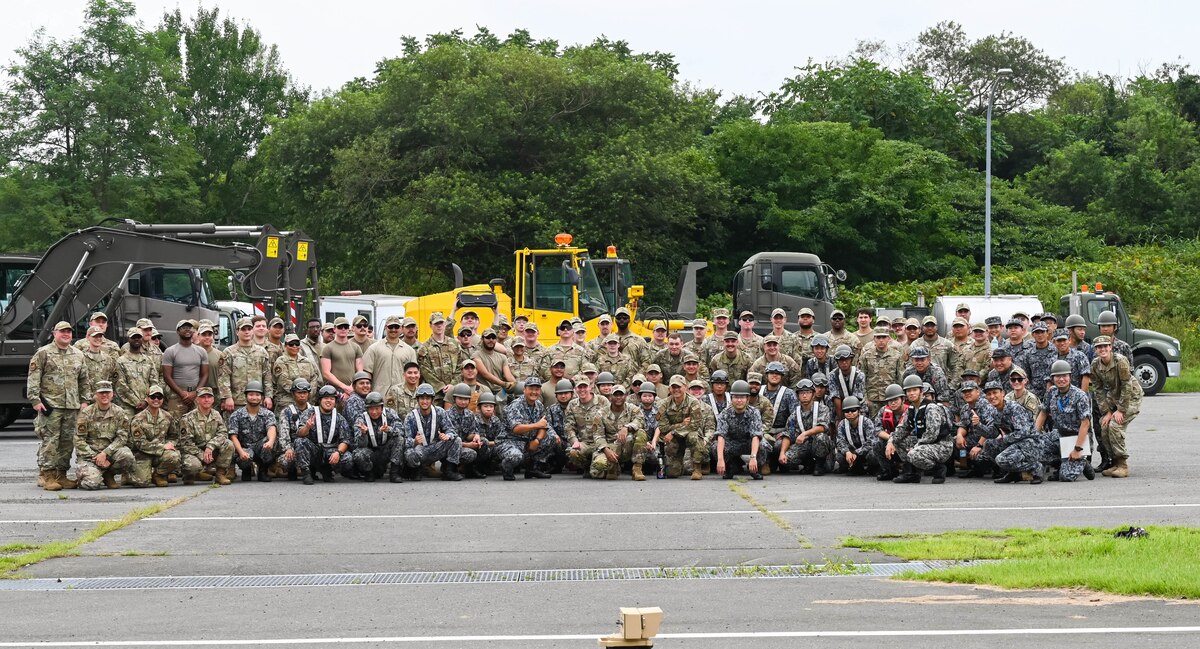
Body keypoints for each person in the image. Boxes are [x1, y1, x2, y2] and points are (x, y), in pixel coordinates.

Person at [29, 321, 89, 491]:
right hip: (51, 405)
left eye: (69, 332)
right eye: (62, 331)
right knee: (50, 441)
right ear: (54, 333)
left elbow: (84, 380)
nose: (66, 334)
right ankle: (47, 475)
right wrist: (35, 400)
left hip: (72, 406)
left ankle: (61, 475)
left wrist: (84, 401)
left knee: (67, 442)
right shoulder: (43, 353)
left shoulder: (78, 354)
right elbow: (34, 378)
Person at [1090, 336, 1141, 478]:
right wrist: (1106, 411)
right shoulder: (1095, 365)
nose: (1103, 349)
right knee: (1104, 424)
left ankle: (1123, 464)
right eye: (1099, 347)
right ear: (1096, 350)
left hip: (1131, 396)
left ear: (1110, 347)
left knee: (1115, 425)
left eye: (1105, 346)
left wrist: (1121, 410)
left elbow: (1127, 385)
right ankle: (1115, 463)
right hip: (1114, 397)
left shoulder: (1120, 361)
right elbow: (1098, 389)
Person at [885, 376, 953, 484]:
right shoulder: (912, 409)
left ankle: (938, 469)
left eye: (914, 390)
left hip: (942, 445)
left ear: (921, 391)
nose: (911, 393)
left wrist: (915, 446)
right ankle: (912, 474)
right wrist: (891, 441)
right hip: (925, 444)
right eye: (908, 391)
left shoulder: (931, 408)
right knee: (897, 441)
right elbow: (902, 428)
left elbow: (931, 434)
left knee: (913, 453)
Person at [1035, 361, 1094, 483]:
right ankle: (1062, 461)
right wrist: (1034, 435)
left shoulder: (1080, 396)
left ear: (1070, 377)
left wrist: (1077, 449)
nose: (1061, 379)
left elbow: (1085, 423)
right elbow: (1043, 413)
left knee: (1066, 477)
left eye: (1064, 376)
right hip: (1059, 434)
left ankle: (1083, 461)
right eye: (1057, 376)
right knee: (1033, 448)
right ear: (1053, 378)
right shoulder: (1051, 392)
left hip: (1077, 438)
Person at [72, 381, 134, 490]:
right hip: (89, 456)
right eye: (101, 393)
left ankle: (108, 474)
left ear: (112, 394)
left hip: (109, 455)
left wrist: (105, 453)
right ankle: (87, 476)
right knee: (92, 484)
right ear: (95, 395)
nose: (104, 395)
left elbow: (122, 437)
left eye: (107, 392)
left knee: (127, 456)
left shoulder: (119, 412)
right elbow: (79, 440)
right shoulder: (86, 413)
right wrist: (96, 457)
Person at [403, 383, 469, 481]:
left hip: (436, 448)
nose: (425, 402)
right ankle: (416, 470)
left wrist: (447, 436)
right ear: (417, 400)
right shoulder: (411, 417)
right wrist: (414, 441)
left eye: (427, 398)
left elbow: (451, 430)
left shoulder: (440, 412)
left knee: (456, 440)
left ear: (432, 400)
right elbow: (405, 440)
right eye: (422, 398)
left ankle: (449, 470)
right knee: (409, 454)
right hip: (420, 450)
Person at [499, 377, 556, 480]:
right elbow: (516, 428)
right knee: (515, 456)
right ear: (524, 390)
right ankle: (507, 469)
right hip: (510, 441)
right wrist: (537, 425)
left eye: (537, 389)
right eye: (531, 388)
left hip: (527, 441)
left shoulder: (539, 405)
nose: (534, 392)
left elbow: (544, 426)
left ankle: (533, 469)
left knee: (551, 437)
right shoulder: (515, 405)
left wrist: (537, 440)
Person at [294, 385, 352, 484]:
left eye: (332, 399)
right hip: (314, 450)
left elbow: (345, 440)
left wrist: (338, 452)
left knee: (348, 459)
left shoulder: (339, 418)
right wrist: (307, 427)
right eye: (325, 398)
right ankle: (307, 472)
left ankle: (327, 470)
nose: (328, 401)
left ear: (335, 401)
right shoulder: (309, 413)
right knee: (299, 441)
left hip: (329, 451)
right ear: (320, 400)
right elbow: (300, 434)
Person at [227, 381, 284, 482]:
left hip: (260, 447)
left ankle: (263, 470)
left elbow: (271, 428)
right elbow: (233, 436)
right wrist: (241, 452)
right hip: (245, 448)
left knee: (273, 440)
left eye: (257, 395)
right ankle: (246, 470)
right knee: (243, 458)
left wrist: (270, 442)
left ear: (261, 397)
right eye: (251, 394)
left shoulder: (268, 414)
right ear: (246, 396)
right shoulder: (236, 415)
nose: (254, 397)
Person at [177, 386, 234, 486]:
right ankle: (189, 475)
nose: (206, 399)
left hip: (211, 450)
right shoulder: (188, 418)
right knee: (193, 466)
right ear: (197, 400)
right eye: (203, 397)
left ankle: (220, 474)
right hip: (194, 452)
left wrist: (210, 446)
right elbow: (185, 443)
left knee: (228, 444)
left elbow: (223, 433)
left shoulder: (216, 415)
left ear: (213, 399)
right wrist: (201, 454)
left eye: (209, 397)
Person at [126, 385, 181, 488]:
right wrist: (162, 447)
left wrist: (170, 443)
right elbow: (140, 444)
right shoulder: (138, 419)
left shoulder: (168, 416)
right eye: (153, 397)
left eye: (159, 397)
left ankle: (158, 475)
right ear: (147, 398)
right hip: (142, 454)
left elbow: (174, 436)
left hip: (159, 454)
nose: (156, 399)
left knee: (174, 456)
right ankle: (129, 474)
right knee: (141, 483)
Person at [219, 317, 274, 417]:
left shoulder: (261, 352)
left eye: (249, 329)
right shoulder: (229, 352)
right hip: (236, 402)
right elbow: (224, 377)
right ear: (237, 332)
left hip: (257, 401)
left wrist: (268, 396)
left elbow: (267, 376)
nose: (247, 332)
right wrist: (227, 397)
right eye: (243, 329)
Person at [657, 375, 709, 480]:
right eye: (673, 387)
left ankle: (697, 468)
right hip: (675, 439)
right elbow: (663, 427)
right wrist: (682, 424)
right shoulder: (663, 404)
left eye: (679, 387)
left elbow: (694, 425)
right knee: (672, 473)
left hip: (688, 435)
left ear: (685, 387)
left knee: (694, 436)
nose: (676, 390)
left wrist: (673, 432)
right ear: (669, 389)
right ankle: (678, 466)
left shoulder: (693, 402)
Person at [595, 383, 650, 480]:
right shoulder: (601, 413)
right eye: (615, 395)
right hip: (610, 446)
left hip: (627, 444)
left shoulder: (632, 409)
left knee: (641, 432)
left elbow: (640, 421)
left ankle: (637, 468)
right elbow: (597, 435)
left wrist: (627, 428)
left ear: (625, 396)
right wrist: (606, 450)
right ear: (610, 397)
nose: (618, 397)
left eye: (621, 395)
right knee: (599, 467)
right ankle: (614, 467)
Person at [348, 392, 406, 482]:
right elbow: (358, 445)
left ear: (382, 407)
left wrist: (389, 430)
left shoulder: (390, 413)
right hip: (370, 453)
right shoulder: (361, 419)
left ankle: (394, 472)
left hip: (385, 451)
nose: (374, 412)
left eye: (377, 408)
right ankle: (369, 472)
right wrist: (363, 434)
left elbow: (401, 432)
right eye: (371, 409)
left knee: (399, 440)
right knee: (358, 453)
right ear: (367, 409)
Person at [778, 379, 832, 475]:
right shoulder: (795, 414)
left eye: (808, 392)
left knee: (821, 437)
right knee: (788, 460)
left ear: (813, 394)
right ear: (798, 395)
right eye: (801, 393)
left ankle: (819, 465)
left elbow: (822, 427)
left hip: (820, 445)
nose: (804, 395)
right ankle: (809, 463)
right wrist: (782, 453)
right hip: (805, 445)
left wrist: (805, 433)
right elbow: (787, 435)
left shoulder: (823, 408)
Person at [715, 380, 766, 480]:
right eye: (736, 397)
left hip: (749, 443)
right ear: (731, 398)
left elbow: (756, 436)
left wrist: (753, 457)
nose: (739, 400)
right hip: (732, 444)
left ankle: (755, 469)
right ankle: (731, 467)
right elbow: (721, 436)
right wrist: (720, 460)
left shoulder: (754, 412)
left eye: (742, 397)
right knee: (714, 446)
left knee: (763, 445)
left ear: (747, 399)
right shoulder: (725, 413)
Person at [159, 320, 209, 419]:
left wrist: (195, 393)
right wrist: (182, 393)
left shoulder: (201, 351)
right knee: (175, 428)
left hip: (196, 394)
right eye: (183, 328)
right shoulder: (170, 351)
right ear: (178, 331)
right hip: (177, 395)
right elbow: (167, 376)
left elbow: (205, 374)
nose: (187, 330)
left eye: (189, 328)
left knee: (197, 425)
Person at [952, 380, 1000, 478]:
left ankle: (994, 468)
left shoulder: (987, 405)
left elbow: (991, 430)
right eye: (965, 392)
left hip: (987, 440)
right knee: (953, 443)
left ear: (978, 391)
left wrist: (979, 445)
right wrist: (960, 435)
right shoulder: (965, 408)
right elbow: (963, 425)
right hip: (974, 438)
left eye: (970, 391)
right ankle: (969, 465)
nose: (967, 394)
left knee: (982, 455)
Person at [361, 314, 417, 397]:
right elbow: (366, 373)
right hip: (379, 396)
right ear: (385, 327)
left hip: (403, 397)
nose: (393, 329)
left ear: (401, 328)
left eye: (396, 327)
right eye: (391, 327)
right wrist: (368, 393)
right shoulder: (374, 349)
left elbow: (415, 376)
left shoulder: (409, 351)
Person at [444, 383, 489, 478]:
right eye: (460, 399)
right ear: (454, 399)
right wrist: (469, 445)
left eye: (465, 399)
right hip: (450, 448)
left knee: (483, 441)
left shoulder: (470, 414)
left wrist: (475, 437)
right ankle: (449, 469)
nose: (463, 402)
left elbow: (470, 433)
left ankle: (472, 469)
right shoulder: (447, 415)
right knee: (470, 453)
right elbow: (451, 440)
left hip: (464, 444)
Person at [276, 379, 318, 483]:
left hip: (309, 447)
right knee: (285, 460)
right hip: (293, 447)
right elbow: (283, 434)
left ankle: (311, 470)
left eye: (305, 393)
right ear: (293, 394)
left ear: (308, 394)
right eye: (299, 393)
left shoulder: (315, 411)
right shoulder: (286, 411)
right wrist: (288, 449)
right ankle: (292, 470)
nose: (302, 395)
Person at [564, 377, 607, 475]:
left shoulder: (602, 401)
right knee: (573, 452)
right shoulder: (572, 404)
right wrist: (575, 441)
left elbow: (610, 422)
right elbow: (569, 426)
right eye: (579, 387)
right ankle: (586, 466)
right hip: (585, 443)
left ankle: (597, 466)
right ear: (575, 389)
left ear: (590, 387)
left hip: (601, 443)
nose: (582, 390)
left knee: (599, 470)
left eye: (585, 387)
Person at [857, 327, 903, 416]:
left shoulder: (896, 355)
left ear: (888, 338)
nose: (881, 340)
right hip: (872, 399)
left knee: (891, 424)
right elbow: (861, 378)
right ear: (874, 339)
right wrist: (865, 398)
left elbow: (900, 377)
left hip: (891, 398)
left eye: (883, 337)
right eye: (878, 337)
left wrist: (899, 398)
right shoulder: (866, 356)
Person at [272, 333, 322, 414]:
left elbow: (314, 378)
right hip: (287, 403)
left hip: (307, 403)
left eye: (297, 344)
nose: (294, 346)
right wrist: (301, 394)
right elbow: (284, 382)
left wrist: (308, 394)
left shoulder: (306, 361)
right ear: (285, 346)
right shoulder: (281, 361)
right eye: (291, 344)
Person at [321, 317, 365, 400]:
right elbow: (326, 373)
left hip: (353, 390)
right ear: (335, 329)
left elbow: (360, 371)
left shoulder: (356, 347)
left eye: (346, 327)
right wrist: (345, 388)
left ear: (349, 329)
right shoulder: (328, 348)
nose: (343, 329)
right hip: (334, 391)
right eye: (340, 327)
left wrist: (351, 387)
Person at [115, 329, 158, 415]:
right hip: (127, 406)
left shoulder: (148, 360)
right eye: (134, 337)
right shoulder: (121, 361)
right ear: (129, 340)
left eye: (139, 337)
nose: (136, 339)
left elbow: (154, 382)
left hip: (147, 405)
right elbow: (121, 385)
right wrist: (137, 402)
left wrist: (146, 401)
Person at [834, 396, 880, 476]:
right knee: (839, 456)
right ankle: (856, 468)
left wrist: (856, 453)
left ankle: (873, 468)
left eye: (853, 410)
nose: (850, 413)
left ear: (859, 411)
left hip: (865, 453)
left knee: (873, 454)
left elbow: (871, 442)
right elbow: (840, 442)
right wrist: (847, 452)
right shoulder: (842, 424)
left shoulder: (867, 422)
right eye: (847, 411)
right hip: (851, 453)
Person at [871, 383, 907, 481]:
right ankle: (889, 470)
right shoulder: (883, 411)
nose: (893, 403)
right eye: (890, 400)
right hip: (891, 444)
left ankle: (909, 470)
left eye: (896, 400)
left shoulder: (910, 411)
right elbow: (877, 430)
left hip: (906, 443)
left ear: (903, 399)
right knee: (877, 443)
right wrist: (891, 439)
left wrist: (894, 440)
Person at [79, 326, 118, 406]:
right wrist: (83, 401)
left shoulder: (108, 359)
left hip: (104, 401)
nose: (98, 339)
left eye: (100, 336)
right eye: (95, 336)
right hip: (87, 401)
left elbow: (112, 378)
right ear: (88, 337)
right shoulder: (81, 357)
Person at [472, 329, 516, 400]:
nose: (491, 340)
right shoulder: (476, 355)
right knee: (479, 405)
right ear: (482, 339)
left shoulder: (502, 357)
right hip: (482, 389)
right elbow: (485, 374)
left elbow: (509, 376)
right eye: (488, 337)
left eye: (493, 337)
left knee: (503, 402)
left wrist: (516, 385)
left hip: (499, 390)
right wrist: (503, 384)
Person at [828, 345, 865, 421]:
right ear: (837, 361)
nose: (844, 362)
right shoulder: (832, 375)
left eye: (846, 359)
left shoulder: (859, 375)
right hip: (839, 408)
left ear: (851, 360)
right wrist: (840, 419)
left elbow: (857, 398)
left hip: (857, 407)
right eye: (841, 360)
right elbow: (835, 397)